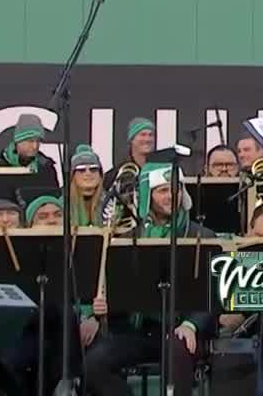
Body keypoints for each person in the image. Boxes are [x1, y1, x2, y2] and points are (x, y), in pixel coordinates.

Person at [84, 164, 213, 396]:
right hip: (138, 331)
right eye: (163, 190)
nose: (172, 195)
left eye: (177, 189)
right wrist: (103, 309)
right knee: (92, 364)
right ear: (148, 195)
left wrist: (191, 324)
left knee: (177, 351)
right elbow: (119, 289)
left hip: (180, 328)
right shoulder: (128, 237)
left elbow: (215, 290)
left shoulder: (202, 236)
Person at [0, 114, 60, 188]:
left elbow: (53, 196)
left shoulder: (46, 168)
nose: (35, 146)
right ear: (18, 141)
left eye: (38, 141)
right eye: (30, 141)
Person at [69, 145, 105, 226]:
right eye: (81, 169)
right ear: (72, 175)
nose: (88, 173)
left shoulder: (111, 203)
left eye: (93, 169)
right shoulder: (63, 205)